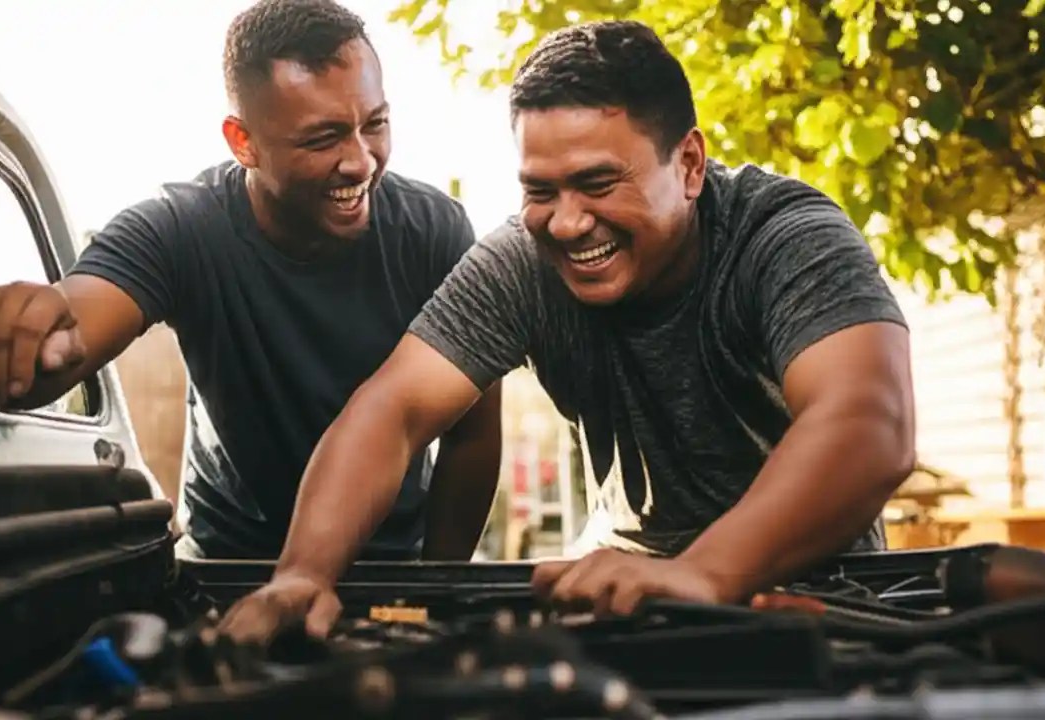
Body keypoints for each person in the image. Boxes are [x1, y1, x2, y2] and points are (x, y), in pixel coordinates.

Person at [220, 19, 916, 643]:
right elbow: (392, 410)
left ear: (691, 166)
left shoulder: (784, 237)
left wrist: (704, 572)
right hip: (620, 609)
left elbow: (868, 424)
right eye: (540, 191)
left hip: (820, 608)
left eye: (599, 182)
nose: (568, 222)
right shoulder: (525, 262)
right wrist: (303, 574)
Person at [0, 0, 502, 562]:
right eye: (323, 139)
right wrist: (31, 328)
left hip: (391, 569)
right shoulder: (179, 228)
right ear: (242, 142)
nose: (361, 161)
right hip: (227, 568)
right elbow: (74, 325)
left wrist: (437, 588)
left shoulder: (435, 231)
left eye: (375, 124)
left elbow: (473, 436)